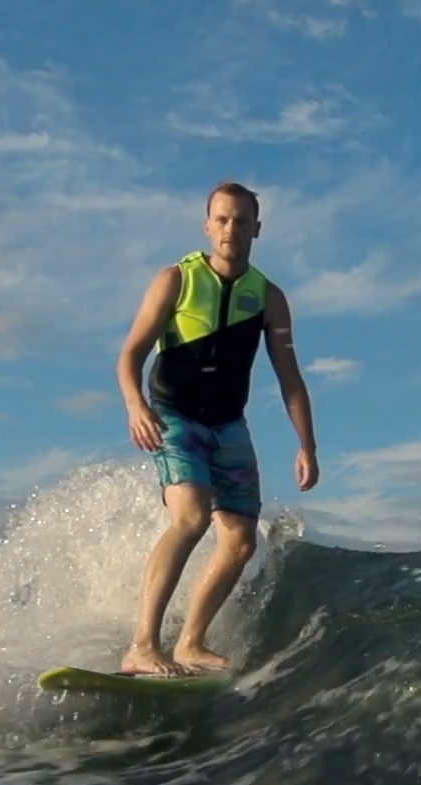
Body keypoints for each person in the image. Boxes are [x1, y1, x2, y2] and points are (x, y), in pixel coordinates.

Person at [114, 180, 319, 676]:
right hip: (174, 416)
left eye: (242, 221)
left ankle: (190, 642)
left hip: (229, 425)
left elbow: (289, 378)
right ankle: (142, 645)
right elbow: (131, 355)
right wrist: (135, 405)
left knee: (242, 540)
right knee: (191, 517)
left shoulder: (268, 298)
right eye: (222, 220)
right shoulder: (175, 281)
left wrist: (307, 445)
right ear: (208, 226)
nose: (231, 229)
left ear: (257, 228)